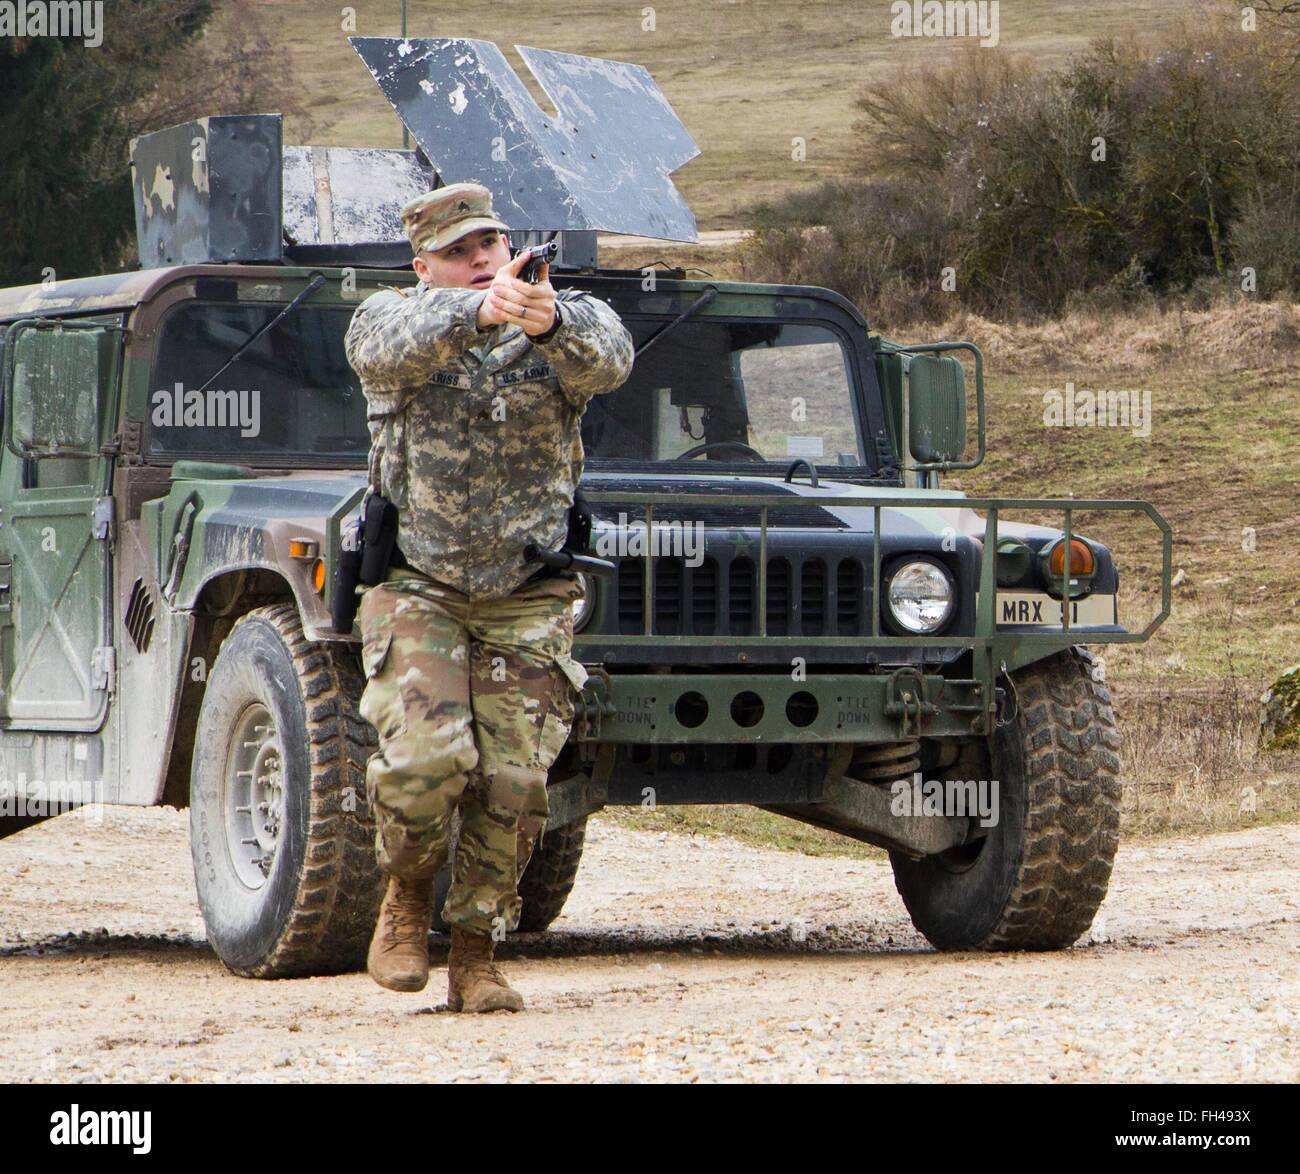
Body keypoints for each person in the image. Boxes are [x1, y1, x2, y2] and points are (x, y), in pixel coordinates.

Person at [344, 182, 633, 1011]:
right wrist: (475, 316)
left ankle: (475, 952)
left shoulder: (560, 323)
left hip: (525, 593)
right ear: (422, 264)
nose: (482, 261)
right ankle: (405, 898)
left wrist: (549, 321)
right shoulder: (392, 320)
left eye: (491, 246)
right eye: (461, 251)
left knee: (513, 785)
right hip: (418, 586)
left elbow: (614, 359)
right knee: (428, 765)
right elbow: (382, 349)